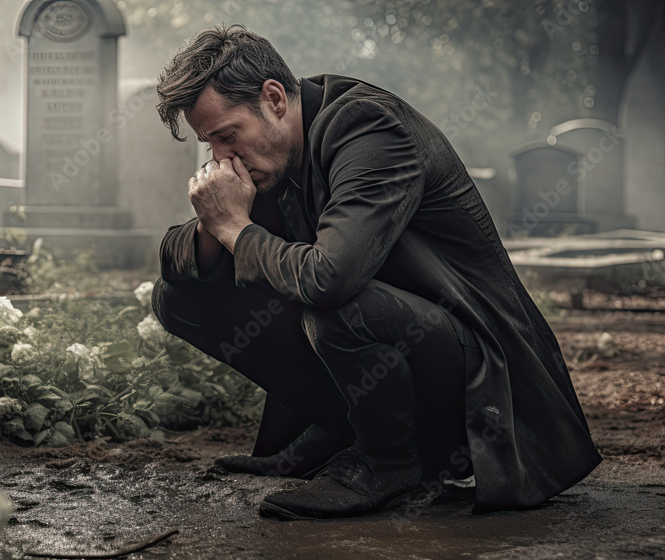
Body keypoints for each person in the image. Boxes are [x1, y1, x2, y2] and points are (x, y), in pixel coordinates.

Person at [151, 24, 601, 520]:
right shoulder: (277, 152)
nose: (220, 158)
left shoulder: (370, 129)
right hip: (404, 348)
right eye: (209, 144)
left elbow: (330, 278)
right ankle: (343, 430)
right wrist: (216, 226)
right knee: (179, 297)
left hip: (484, 375)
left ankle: (389, 462)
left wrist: (235, 227)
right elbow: (177, 260)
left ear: (275, 98)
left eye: (227, 136)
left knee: (338, 308)